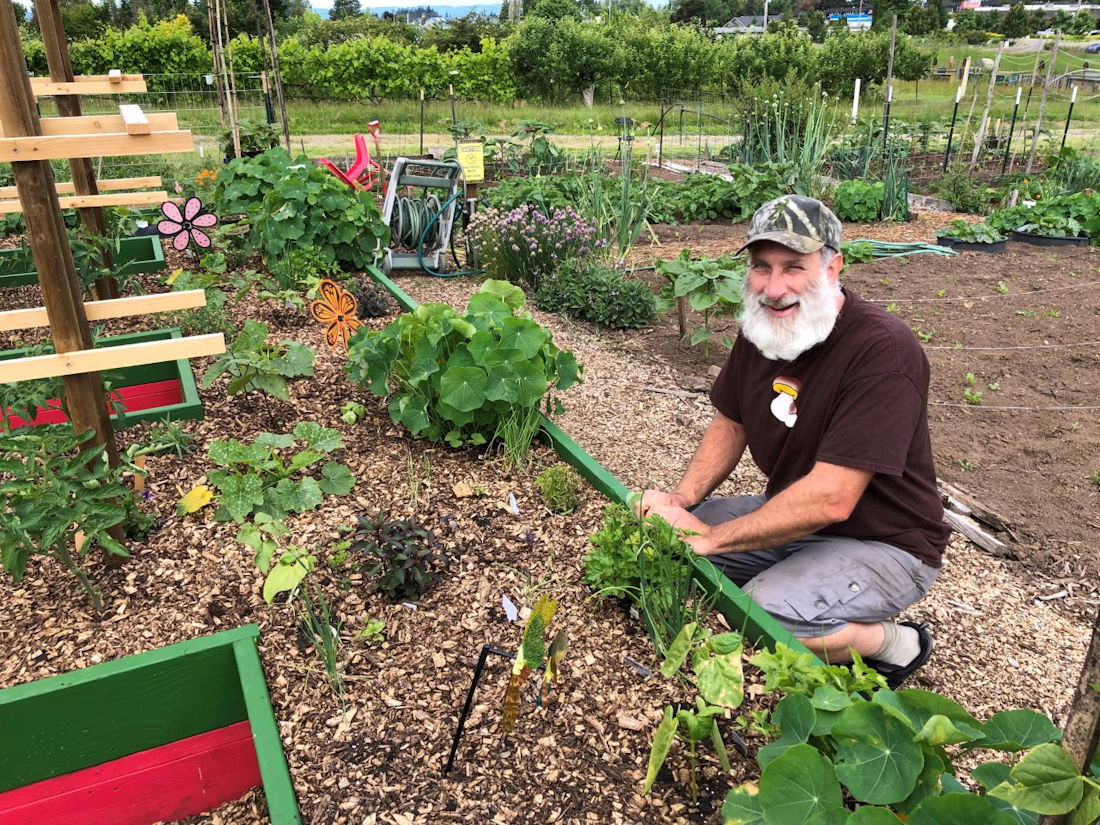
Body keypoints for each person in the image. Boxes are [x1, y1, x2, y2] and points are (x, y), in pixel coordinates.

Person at [639, 195, 949, 688]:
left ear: (832, 267)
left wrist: (712, 538)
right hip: (797, 515)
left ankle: (895, 644)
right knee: (659, 541)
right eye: (761, 267)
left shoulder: (882, 350)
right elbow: (732, 422)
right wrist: (681, 501)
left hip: (885, 541)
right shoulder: (763, 330)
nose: (773, 287)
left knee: (766, 613)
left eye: (792, 267)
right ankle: (798, 582)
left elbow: (832, 497)